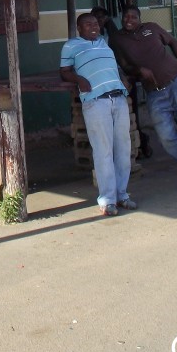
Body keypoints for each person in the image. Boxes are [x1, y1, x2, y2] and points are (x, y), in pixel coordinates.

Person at [110, 6, 177, 193]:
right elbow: (124, 65)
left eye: (133, 17)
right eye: (126, 16)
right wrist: (138, 71)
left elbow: (173, 42)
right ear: (121, 17)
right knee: (167, 137)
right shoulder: (117, 39)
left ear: (139, 19)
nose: (129, 20)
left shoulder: (152, 27)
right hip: (155, 92)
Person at [60, 13, 136, 216]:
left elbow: (114, 65)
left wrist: (122, 78)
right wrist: (79, 80)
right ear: (79, 28)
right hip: (96, 101)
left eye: (95, 23)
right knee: (103, 151)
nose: (93, 26)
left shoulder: (103, 43)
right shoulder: (71, 45)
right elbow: (64, 71)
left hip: (118, 98)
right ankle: (107, 199)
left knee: (123, 149)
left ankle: (122, 194)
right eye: (87, 24)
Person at [91, 5, 153, 159]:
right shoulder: (92, 37)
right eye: (96, 17)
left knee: (131, 118)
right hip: (102, 83)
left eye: (102, 17)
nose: (99, 20)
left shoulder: (114, 36)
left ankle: (140, 144)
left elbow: (117, 60)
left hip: (120, 80)